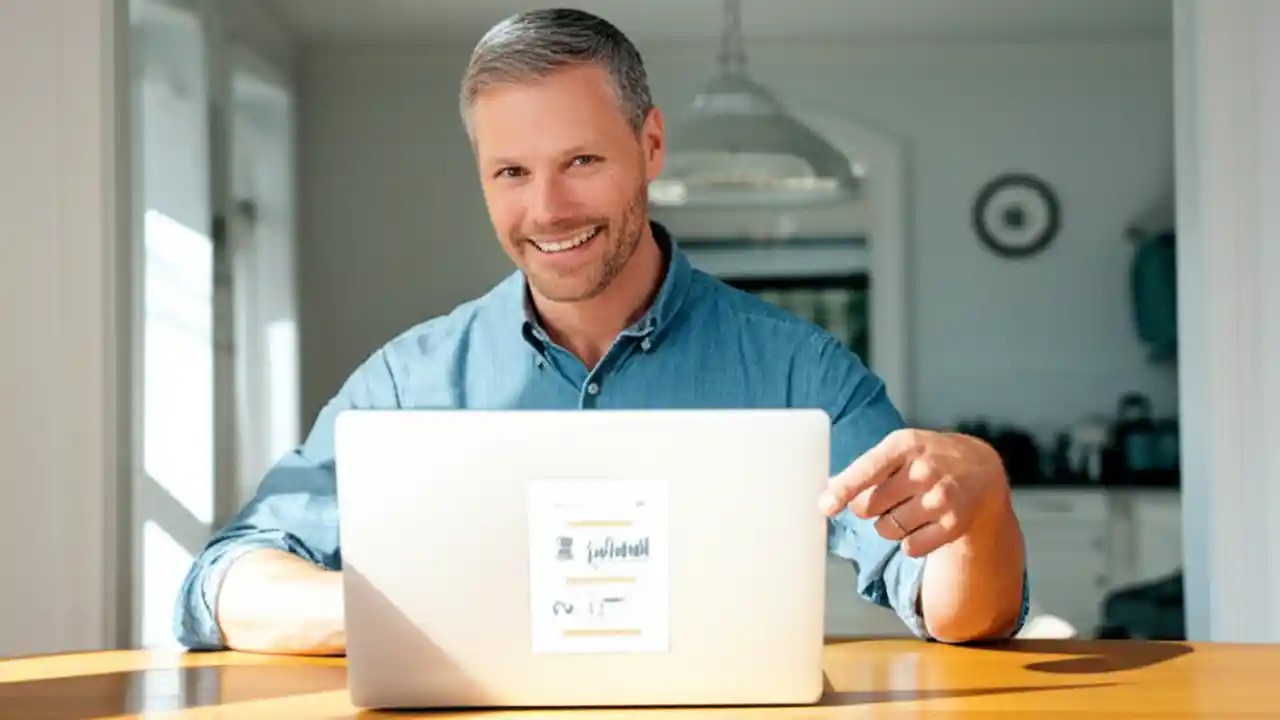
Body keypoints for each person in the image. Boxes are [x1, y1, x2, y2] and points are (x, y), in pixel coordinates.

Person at [174, 8, 1028, 655]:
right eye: (512, 172)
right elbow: (218, 583)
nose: (547, 211)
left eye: (581, 161)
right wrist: (408, 609)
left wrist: (984, 502)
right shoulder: (406, 382)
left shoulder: (801, 370)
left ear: (649, 145)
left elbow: (954, 614)